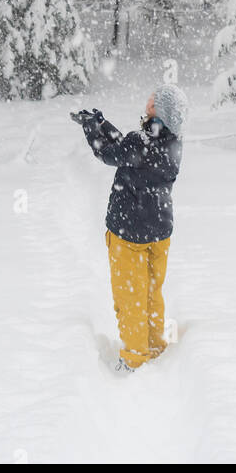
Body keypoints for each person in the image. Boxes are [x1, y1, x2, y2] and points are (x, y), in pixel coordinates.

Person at [71, 85, 188, 373]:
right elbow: (126, 148)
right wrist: (101, 123)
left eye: (153, 101)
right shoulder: (171, 143)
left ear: (159, 111)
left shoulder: (140, 143)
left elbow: (110, 154)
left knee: (129, 298)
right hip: (159, 232)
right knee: (151, 293)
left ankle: (134, 359)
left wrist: (90, 129)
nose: (148, 101)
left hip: (129, 233)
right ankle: (154, 346)